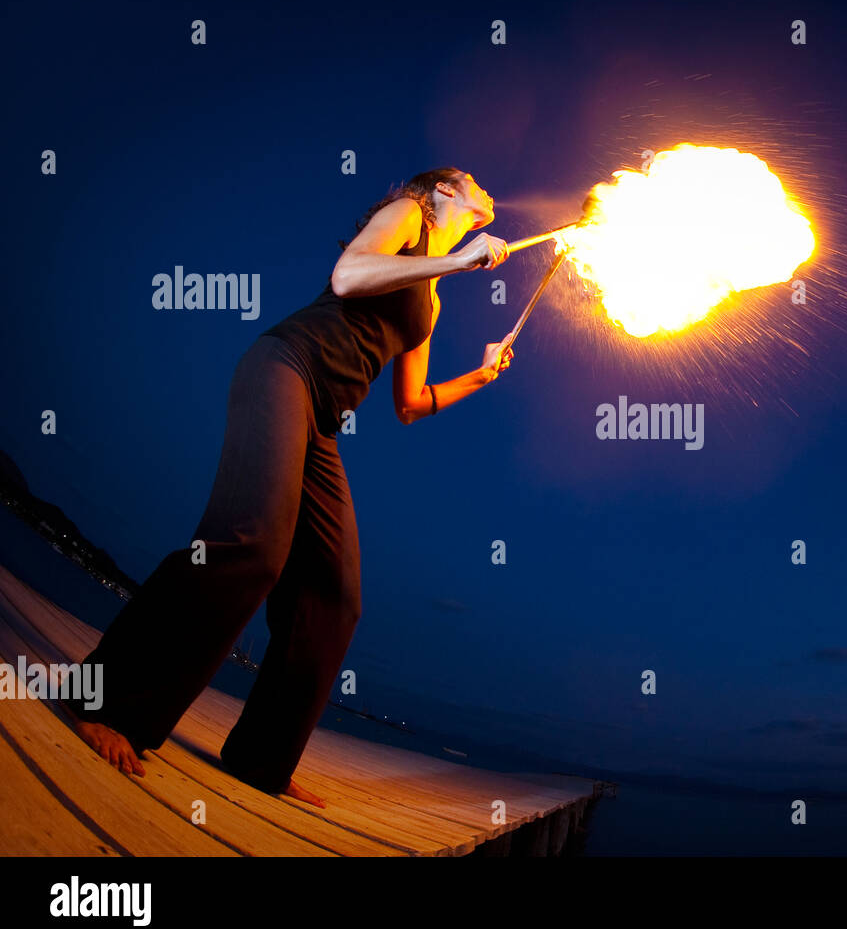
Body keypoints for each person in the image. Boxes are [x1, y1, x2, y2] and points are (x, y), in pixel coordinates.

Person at [58, 168, 512, 808]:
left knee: (334, 594)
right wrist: (462, 259)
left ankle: (261, 756)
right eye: (466, 178)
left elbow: (409, 404)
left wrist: (482, 376)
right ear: (440, 192)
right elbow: (349, 276)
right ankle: (106, 701)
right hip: (284, 369)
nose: (480, 183)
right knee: (251, 546)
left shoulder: (430, 296)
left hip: (321, 423)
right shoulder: (411, 217)